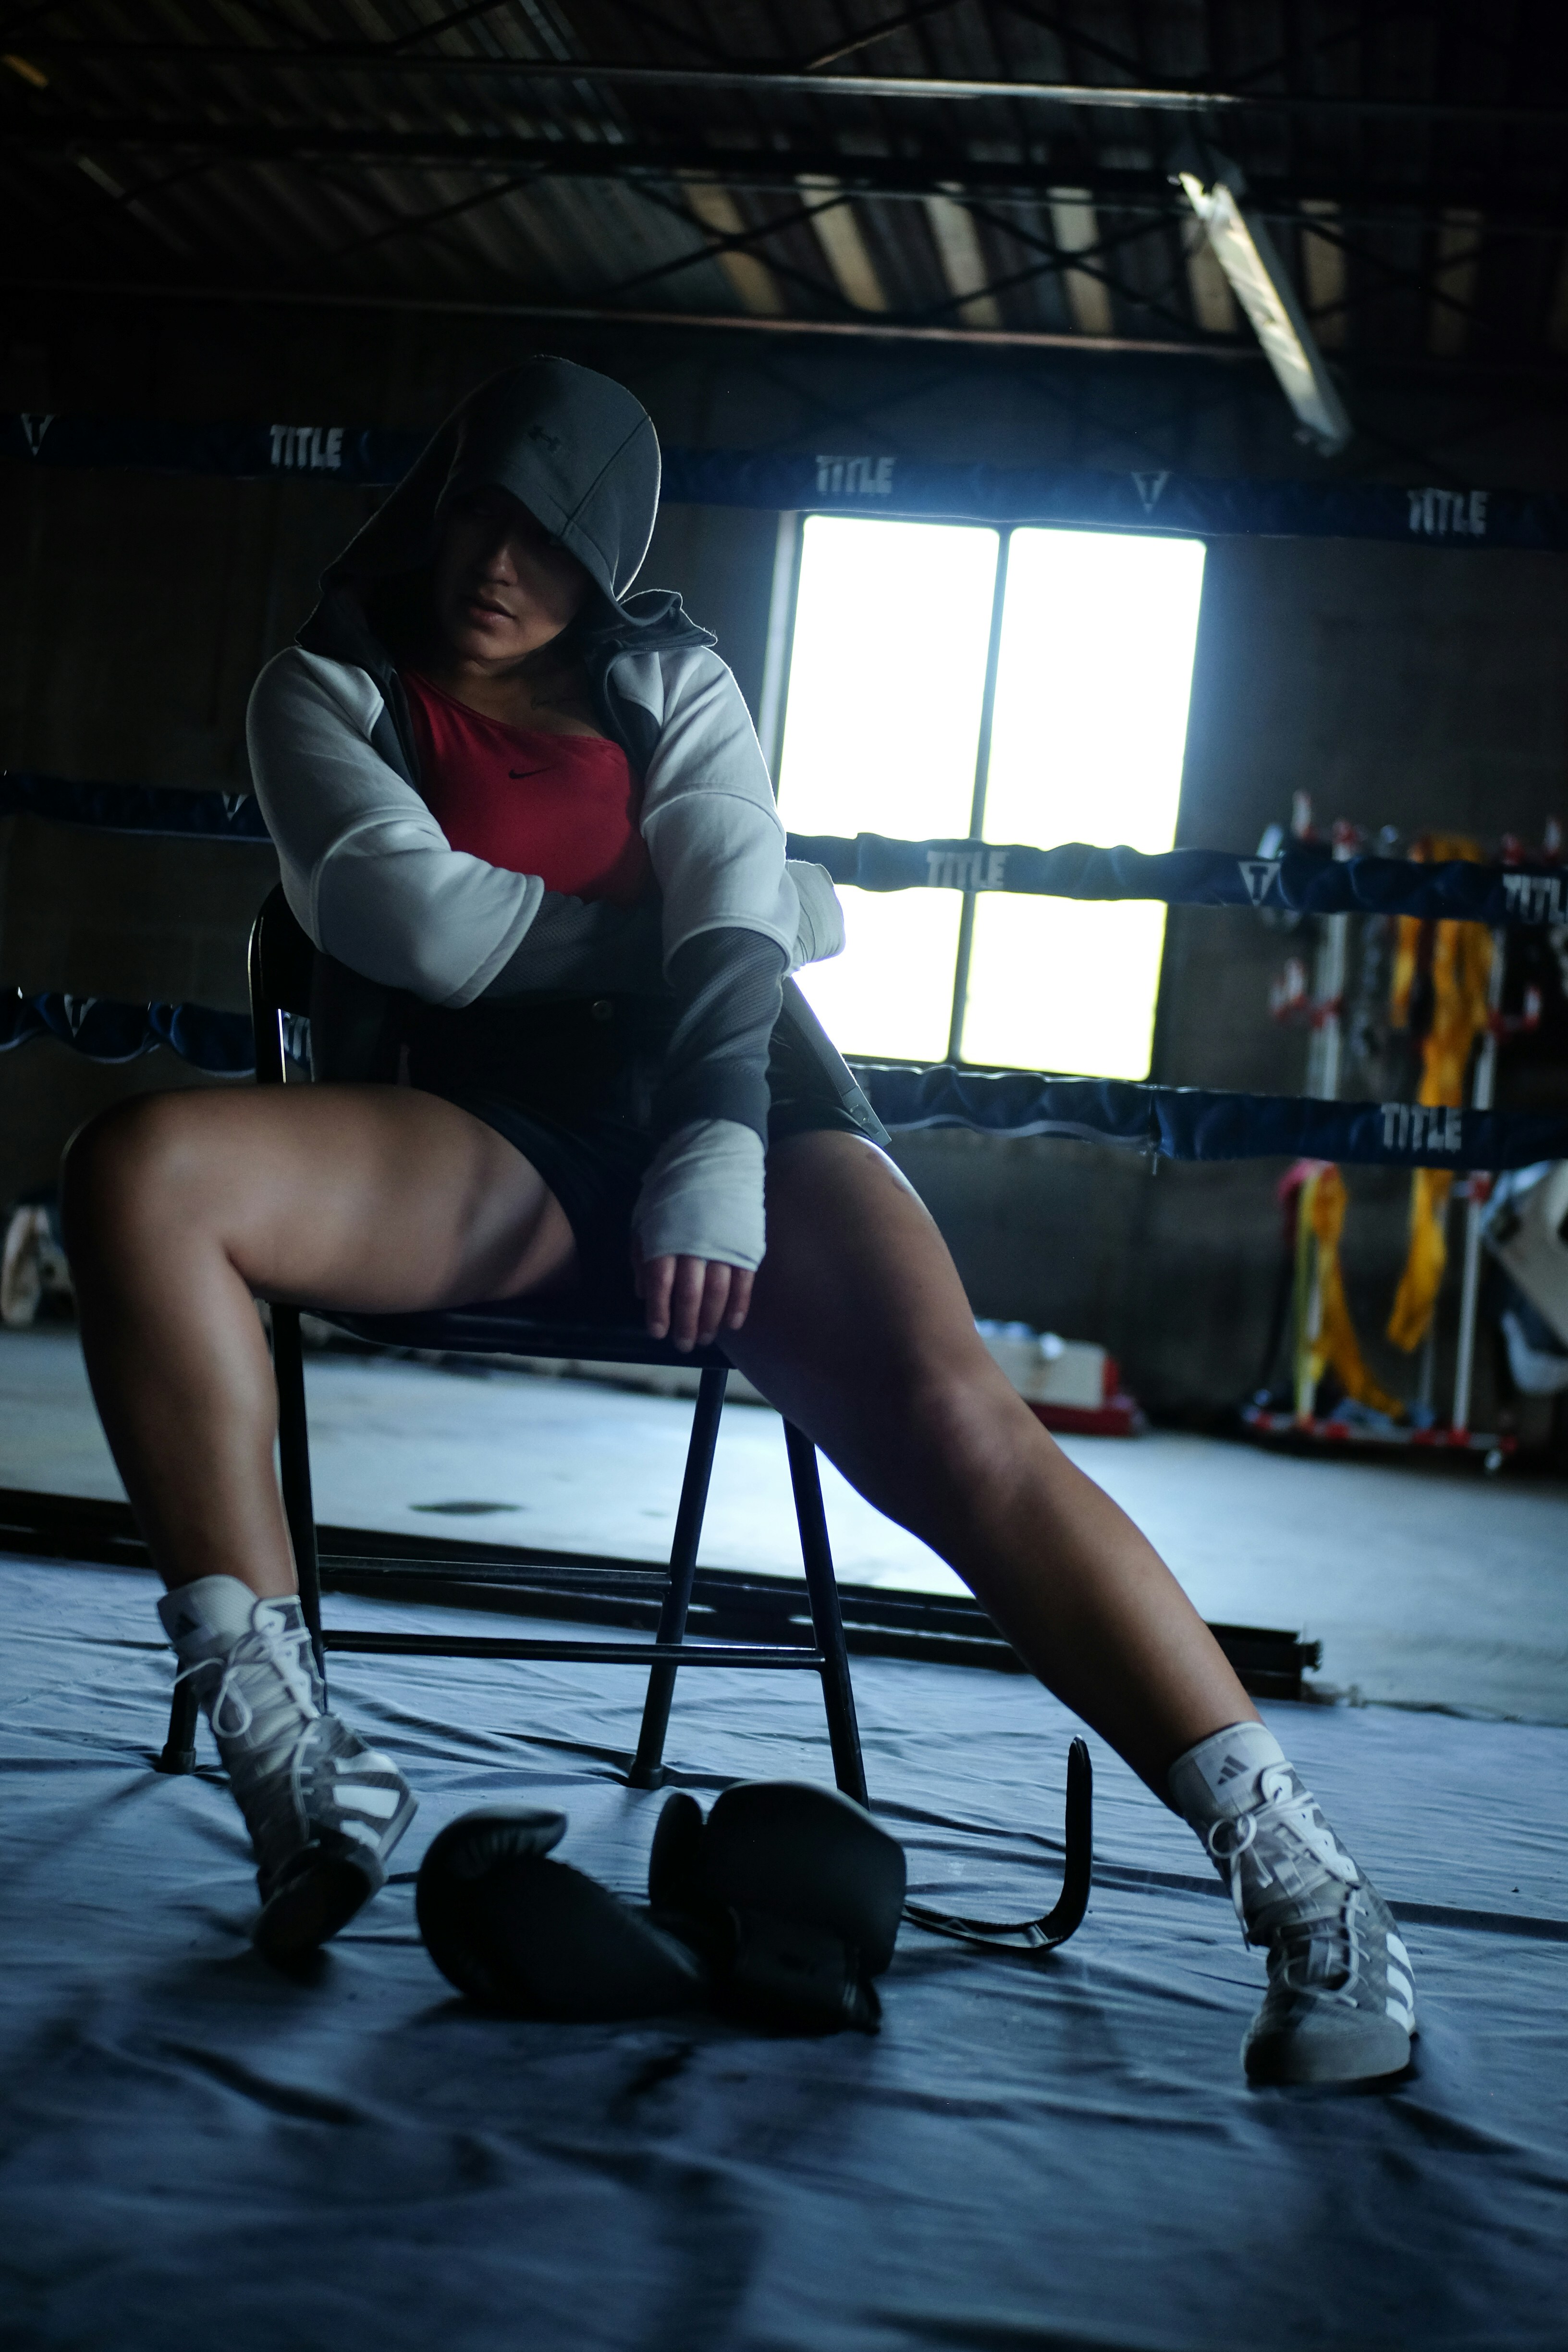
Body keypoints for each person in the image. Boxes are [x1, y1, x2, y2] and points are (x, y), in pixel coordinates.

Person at [61, 359, 1415, 2085]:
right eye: (479, 511)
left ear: (606, 558)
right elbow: (413, 924)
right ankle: (299, 1776)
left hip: (750, 1096)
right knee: (141, 1169)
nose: (497, 567)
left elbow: (700, 928)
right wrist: (749, 907)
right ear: (436, 495)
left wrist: (715, 1110)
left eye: (550, 542)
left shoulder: (670, 672)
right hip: (485, 1122)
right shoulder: (323, 686)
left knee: (958, 1429)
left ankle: (1316, 1903)